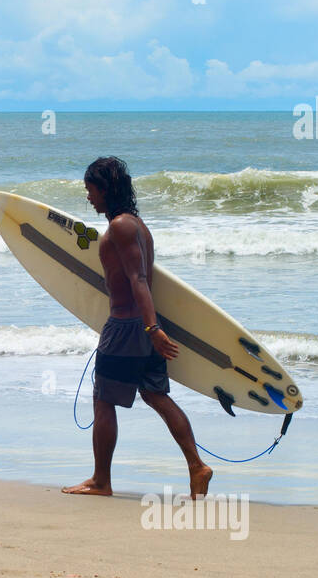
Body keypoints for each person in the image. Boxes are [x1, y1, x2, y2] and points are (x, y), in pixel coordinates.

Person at [62, 156, 213, 499]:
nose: (88, 198)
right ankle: (197, 467)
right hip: (144, 326)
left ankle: (101, 481)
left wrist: (150, 329)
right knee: (155, 395)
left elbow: (138, 279)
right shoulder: (139, 227)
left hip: (128, 327)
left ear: (105, 188)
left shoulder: (120, 227)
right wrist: (153, 327)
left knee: (103, 399)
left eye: (90, 190)